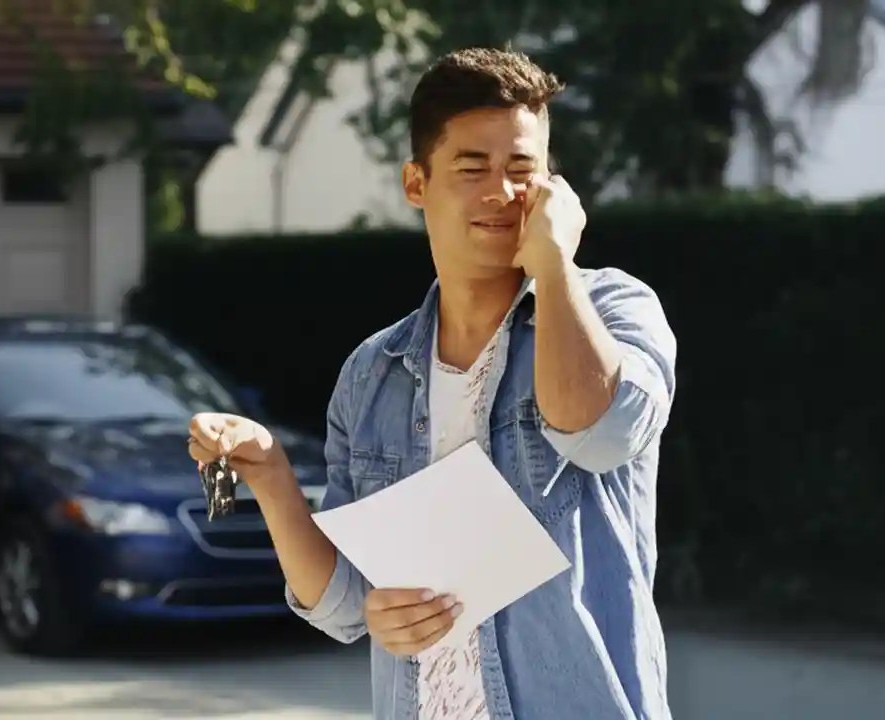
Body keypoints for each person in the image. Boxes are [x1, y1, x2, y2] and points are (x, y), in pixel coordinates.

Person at [187, 47, 676, 720]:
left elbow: (593, 430)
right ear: (416, 183)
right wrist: (270, 474)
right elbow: (344, 604)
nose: (501, 191)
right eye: (473, 167)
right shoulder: (371, 374)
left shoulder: (614, 311)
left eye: (522, 168)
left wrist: (555, 262)